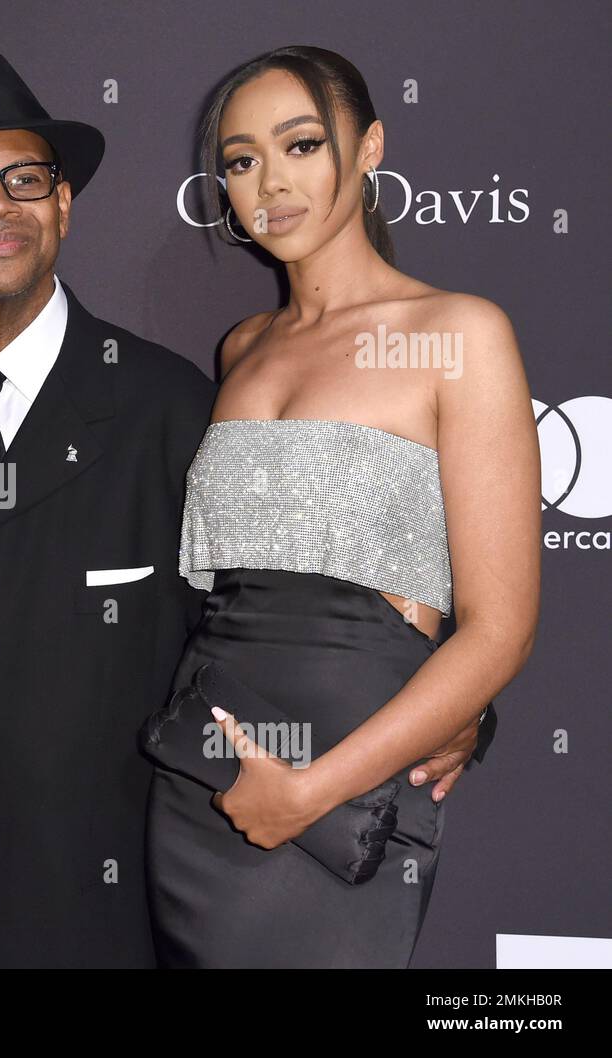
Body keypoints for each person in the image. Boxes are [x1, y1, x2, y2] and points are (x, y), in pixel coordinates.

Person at [0, 52, 491, 968]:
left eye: (25, 179)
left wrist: (456, 704)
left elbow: (268, 614)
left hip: (107, 911)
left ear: (65, 204)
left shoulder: (176, 405)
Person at [142, 45, 537, 968]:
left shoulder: (459, 334)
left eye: (301, 145)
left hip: (347, 784)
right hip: (206, 779)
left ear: (369, 150)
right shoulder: (240, 349)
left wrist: (314, 790)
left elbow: (500, 630)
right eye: (240, 162)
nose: (269, 183)